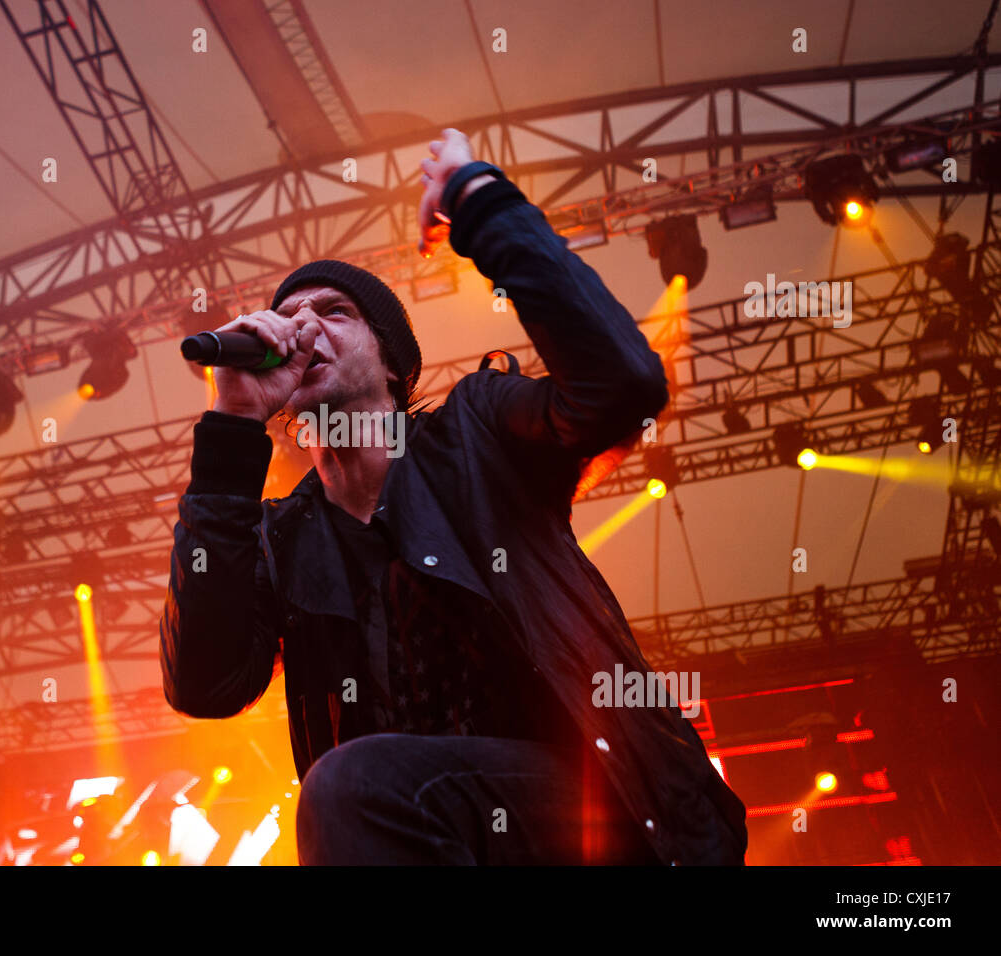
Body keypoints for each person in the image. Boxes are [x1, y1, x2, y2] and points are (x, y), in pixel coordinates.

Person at [160, 128, 748, 865]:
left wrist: (481, 202)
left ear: (392, 364)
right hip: (432, 840)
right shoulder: (285, 538)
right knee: (359, 791)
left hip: (608, 818)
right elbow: (202, 683)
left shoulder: (473, 432)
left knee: (354, 784)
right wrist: (230, 429)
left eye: (335, 312)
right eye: (290, 315)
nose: (304, 324)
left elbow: (623, 386)